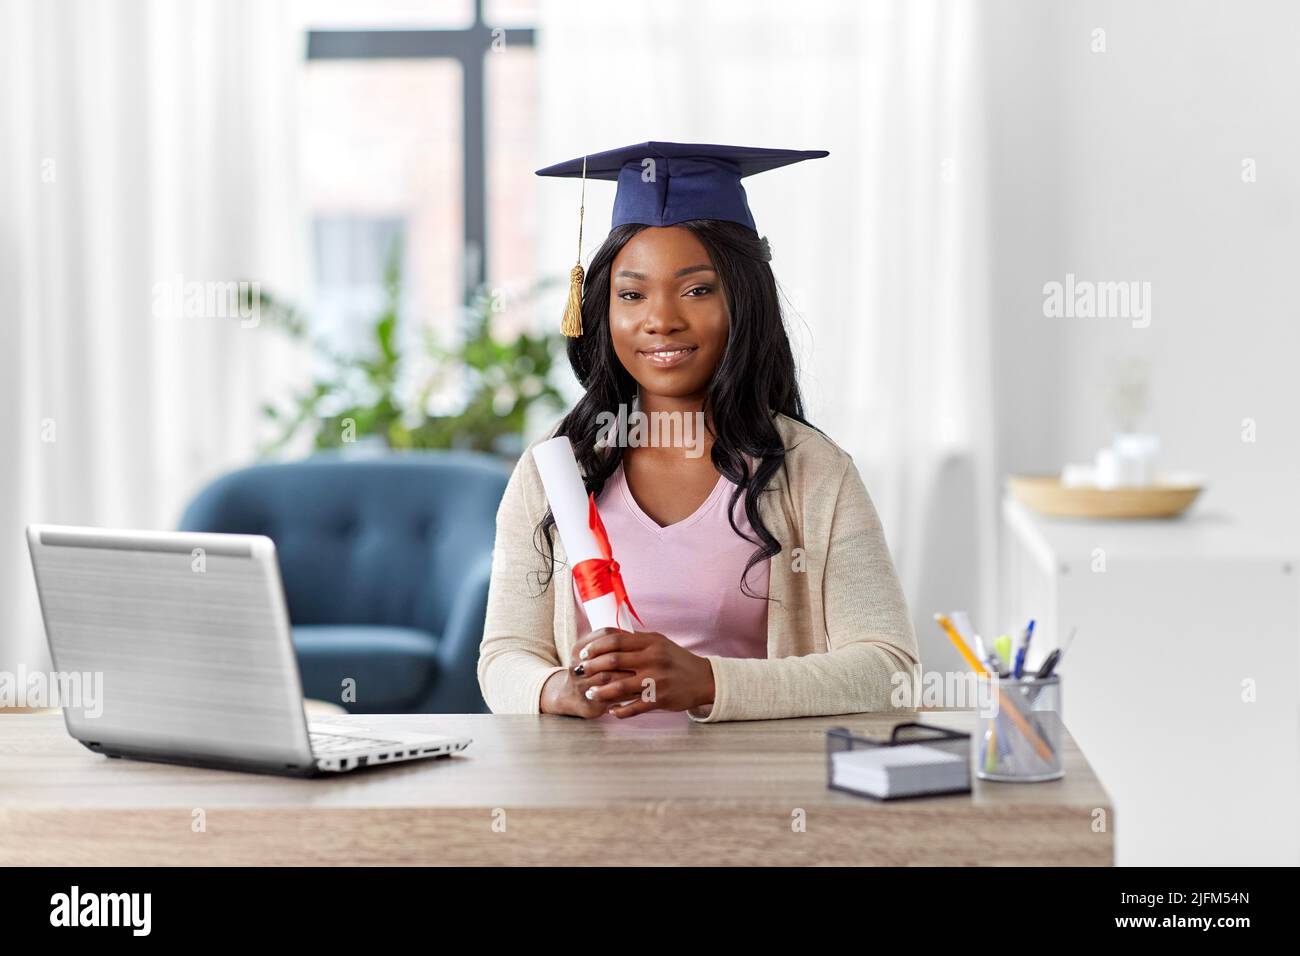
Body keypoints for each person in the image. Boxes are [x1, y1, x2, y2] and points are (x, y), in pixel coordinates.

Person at [478, 142, 919, 722]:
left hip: (747, 792)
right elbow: (505, 656)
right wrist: (557, 689)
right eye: (631, 294)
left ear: (743, 299)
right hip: (589, 792)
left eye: (697, 290)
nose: (661, 319)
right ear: (602, 311)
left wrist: (709, 682)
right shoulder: (559, 468)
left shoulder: (812, 470)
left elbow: (889, 671)